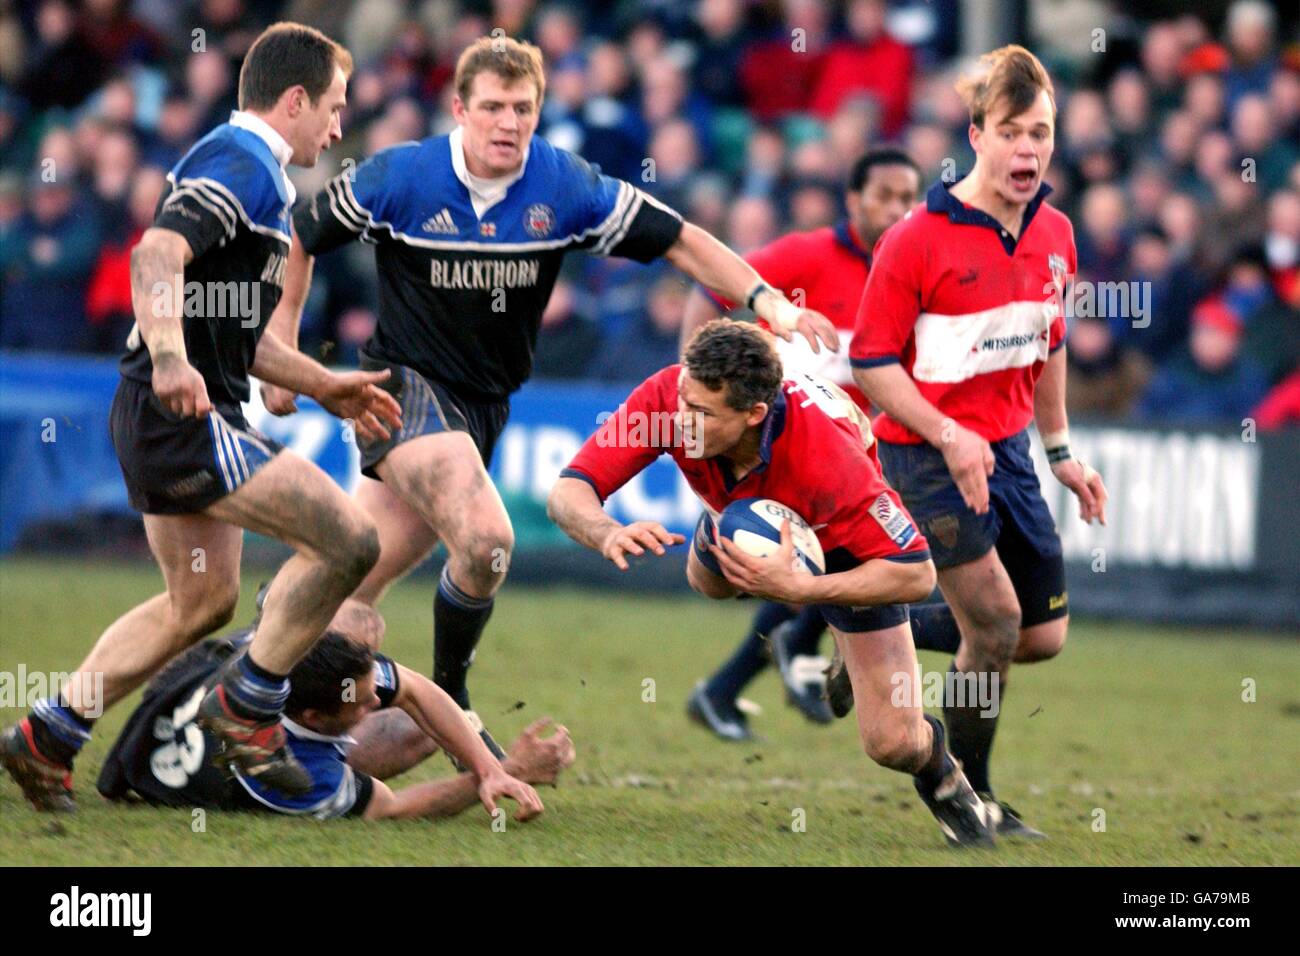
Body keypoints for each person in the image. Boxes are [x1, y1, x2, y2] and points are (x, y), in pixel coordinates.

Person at [263, 36, 838, 756]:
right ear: (460, 108)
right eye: (495, 107)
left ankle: (242, 697)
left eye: (524, 109)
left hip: (482, 408)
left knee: (345, 582)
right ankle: (452, 703)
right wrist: (281, 345)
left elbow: (683, 240)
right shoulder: (402, 177)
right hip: (401, 389)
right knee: (487, 539)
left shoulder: (563, 187)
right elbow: (300, 234)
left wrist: (766, 302)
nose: (509, 123)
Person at [2, 23, 403, 812]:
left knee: (202, 601)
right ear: (294, 100)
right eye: (333, 106)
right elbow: (154, 257)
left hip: (166, 410)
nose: (338, 125)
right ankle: (248, 709)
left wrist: (324, 382)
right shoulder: (240, 163)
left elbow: (235, 331)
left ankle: (47, 734)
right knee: (351, 539)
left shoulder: (255, 175)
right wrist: (171, 356)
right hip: (176, 412)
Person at [548, 320, 995, 848]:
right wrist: (607, 533)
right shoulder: (668, 398)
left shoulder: (831, 463)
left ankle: (943, 777)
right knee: (706, 578)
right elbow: (568, 490)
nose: (682, 421)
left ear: (753, 414)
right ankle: (735, 532)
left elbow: (916, 573)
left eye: (702, 414)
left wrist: (804, 592)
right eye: (684, 401)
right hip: (751, 515)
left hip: (844, 542)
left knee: (892, 744)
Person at [850, 46, 1108, 840]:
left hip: (1008, 454)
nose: (1028, 150)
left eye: (1041, 133)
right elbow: (870, 364)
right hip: (923, 453)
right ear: (977, 136)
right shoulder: (915, 239)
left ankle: (873, 639)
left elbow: (1049, 338)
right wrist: (947, 432)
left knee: (1041, 635)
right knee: (994, 625)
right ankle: (971, 800)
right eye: (1010, 131)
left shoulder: (1057, 232)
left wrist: (1060, 450)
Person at [677, 147, 961, 738]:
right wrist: (696, 376)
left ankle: (740, 681)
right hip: (786, 449)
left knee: (829, 568)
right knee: (819, 564)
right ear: (853, 201)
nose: (898, 209)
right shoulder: (805, 255)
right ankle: (800, 655)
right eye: (884, 195)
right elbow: (711, 289)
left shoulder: (910, 273)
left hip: (856, 456)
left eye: (910, 198)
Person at [97, 598, 575, 822]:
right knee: (417, 727)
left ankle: (282, 599)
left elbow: (415, 689)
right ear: (313, 720)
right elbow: (396, 808)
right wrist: (516, 770)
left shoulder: (281, 657)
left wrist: (487, 768)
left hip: (171, 710)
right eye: (363, 701)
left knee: (363, 624)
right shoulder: (297, 778)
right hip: (160, 771)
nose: (377, 700)